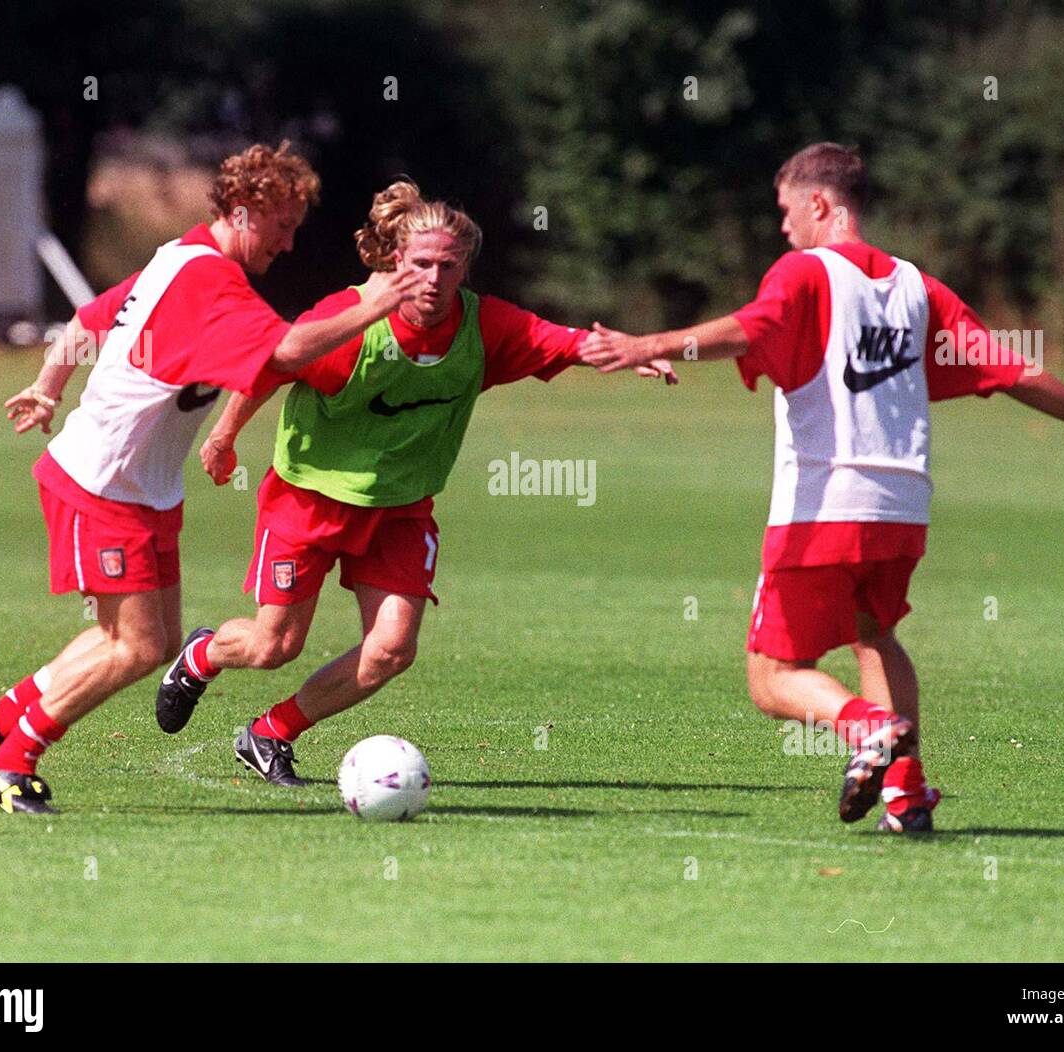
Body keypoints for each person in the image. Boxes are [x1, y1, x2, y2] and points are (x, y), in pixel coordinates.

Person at [579, 142, 1064, 832]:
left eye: (785, 210)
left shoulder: (804, 271)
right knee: (874, 633)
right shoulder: (919, 286)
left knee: (773, 677)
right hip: (903, 504)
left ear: (820, 203)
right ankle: (908, 793)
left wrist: (646, 345)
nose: (783, 227)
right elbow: (1007, 367)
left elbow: (749, 330)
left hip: (825, 503)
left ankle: (866, 730)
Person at [154, 179, 675, 785]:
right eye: (421, 263)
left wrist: (634, 351)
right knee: (273, 647)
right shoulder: (353, 326)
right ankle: (200, 657)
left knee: (391, 651)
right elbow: (275, 363)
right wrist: (223, 436)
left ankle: (270, 733)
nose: (432, 278)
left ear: (464, 269)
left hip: (399, 509)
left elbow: (568, 342)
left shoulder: (484, 329)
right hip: (310, 501)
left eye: (447, 266)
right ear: (395, 260)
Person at [0, 142, 424, 814]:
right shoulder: (209, 280)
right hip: (104, 483)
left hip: (140, 489)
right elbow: (290, 349)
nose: (290, 243)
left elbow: (90, 320)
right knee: (140, 644)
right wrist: (377, 303)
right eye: (284, 225)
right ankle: (10, 760)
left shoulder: (176, 256)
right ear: (245, 210)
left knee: (144, 637)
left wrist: (46, 386)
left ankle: (4, 715)